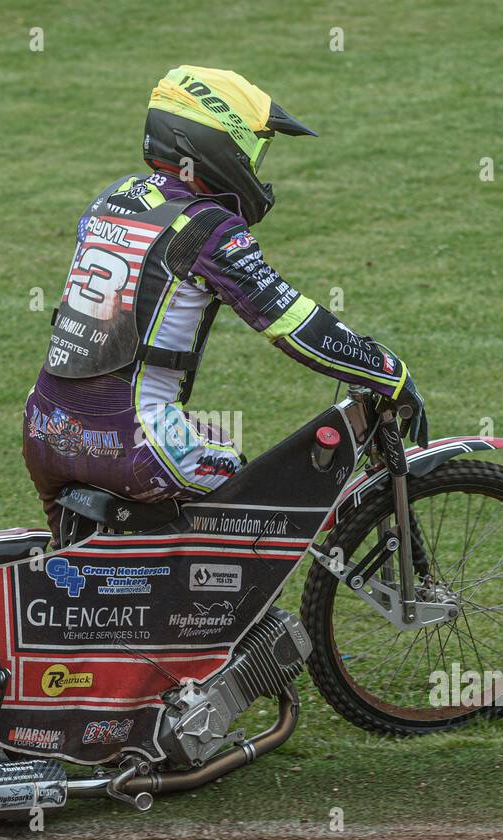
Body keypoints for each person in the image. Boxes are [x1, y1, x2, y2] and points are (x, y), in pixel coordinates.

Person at [23, 66, 425, 540]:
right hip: (134, 443)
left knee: (76, 578)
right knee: (248, 499)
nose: (256, 167)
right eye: (255, 149)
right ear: (217, 144)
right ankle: (245, 615)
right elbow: (292, 323)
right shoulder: (207, 228)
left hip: (43, 431)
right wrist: (382, 369)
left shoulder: (111, 198)